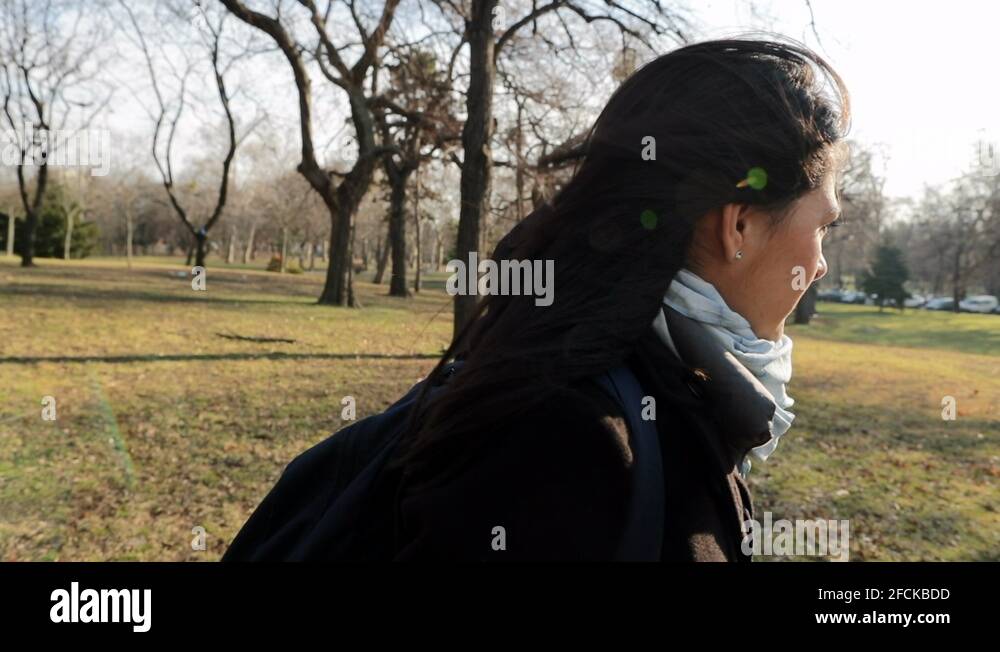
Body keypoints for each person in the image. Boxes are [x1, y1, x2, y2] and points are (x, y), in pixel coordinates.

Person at [375, 37, 850, 561]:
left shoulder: (665, 386)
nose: (821, 265)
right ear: (738, 226)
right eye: (824, 225)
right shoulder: (571, 445)